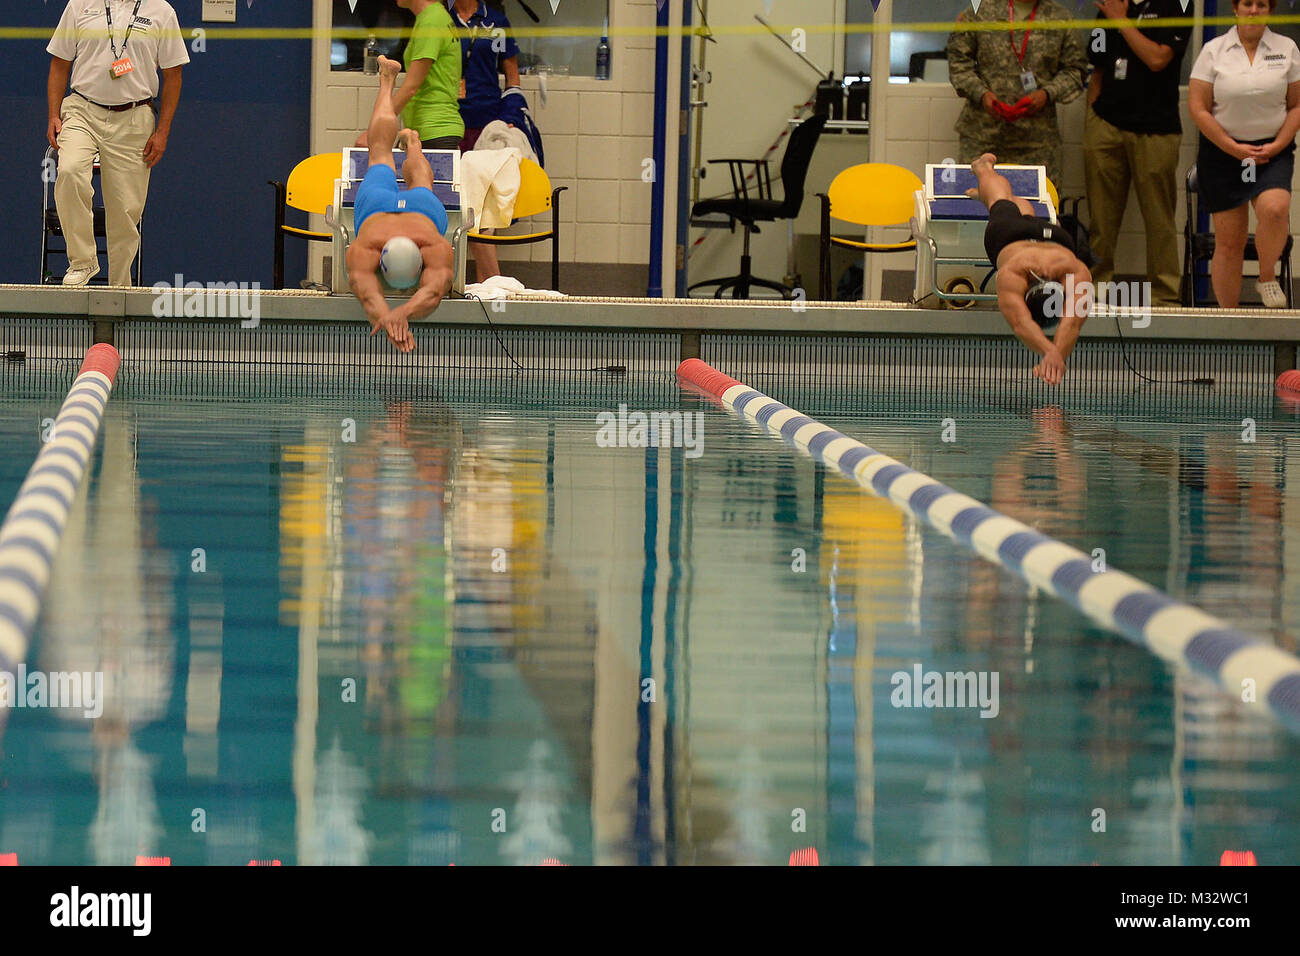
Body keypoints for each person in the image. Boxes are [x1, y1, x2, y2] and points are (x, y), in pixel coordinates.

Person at [46, 0, 189, 287]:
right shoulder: (79, 5)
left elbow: (173, 76)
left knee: (125, 210)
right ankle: (83, 262)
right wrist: (53, 114)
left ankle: (120, 285)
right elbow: (60, 64)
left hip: (135, 116)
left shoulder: (162, 11)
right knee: (70, 170)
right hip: (82, 109)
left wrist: (162, 132)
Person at [1189, 0, 1300, 309]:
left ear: (1270, 10)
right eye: (1247, 3)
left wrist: (1278, 144)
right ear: (1236, 9)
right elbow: (1198, 108)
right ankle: (1229, 318)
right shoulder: (1214, 50)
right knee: (1229, 242)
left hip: (1270, 151)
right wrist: (1232, 147)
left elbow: (1296, 105)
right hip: (1223, 152)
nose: (1254, 9)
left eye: (1261, 4)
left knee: (1275, 209)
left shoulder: (1287, 48)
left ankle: (1266, 277)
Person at [1085, 0, 1190, 308]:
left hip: (1155, 129)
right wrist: (1093, 118)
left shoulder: (1177, 6)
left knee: (1159, 217)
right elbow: (1099, 66)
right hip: (1106, 124)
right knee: (1101, 217)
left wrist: (1121, 20)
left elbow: (1158, 58)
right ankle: (1095, 285)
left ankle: (1164, 293)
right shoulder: (1110, 6)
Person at [347, 56, 455, 354]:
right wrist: (397, 315)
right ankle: (411, 139)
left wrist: (391, 316)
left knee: (400, 166)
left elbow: (369, 295)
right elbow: (433, 292)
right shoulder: (435, 246)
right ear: (421, 261)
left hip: (409, 210)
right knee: (381, 154)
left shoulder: (365, 248)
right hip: (380, 208)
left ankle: (387, 82)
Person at [969, 154, 1092, 385]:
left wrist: (1053, 353)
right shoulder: (1013, 273)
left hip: (1053, 234)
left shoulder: (1075, 270)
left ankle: (992, 193)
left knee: (1017, 211)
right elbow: (1022, 323)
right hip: (1009, 236)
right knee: (999, 201)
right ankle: (983, 169)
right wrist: (1052, 353)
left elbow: (1070, 323)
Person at [947, 0, 1089, 187]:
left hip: (1037, 141)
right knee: (974, 208)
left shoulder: (1060, 18)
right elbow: (958, 62)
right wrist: (981, 94)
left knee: (1038, 211)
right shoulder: (980, 12)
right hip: (983, 137)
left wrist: (1047, 93)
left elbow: (1076, 70)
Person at [449, 0, 523, 282]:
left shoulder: (496, 22)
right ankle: (488, 286)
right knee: (458, 210)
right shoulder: (440, 19)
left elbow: (513, 78)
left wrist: (507, 118)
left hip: (487, 128)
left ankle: (488, 285)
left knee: (484, 217)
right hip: (450, 123)